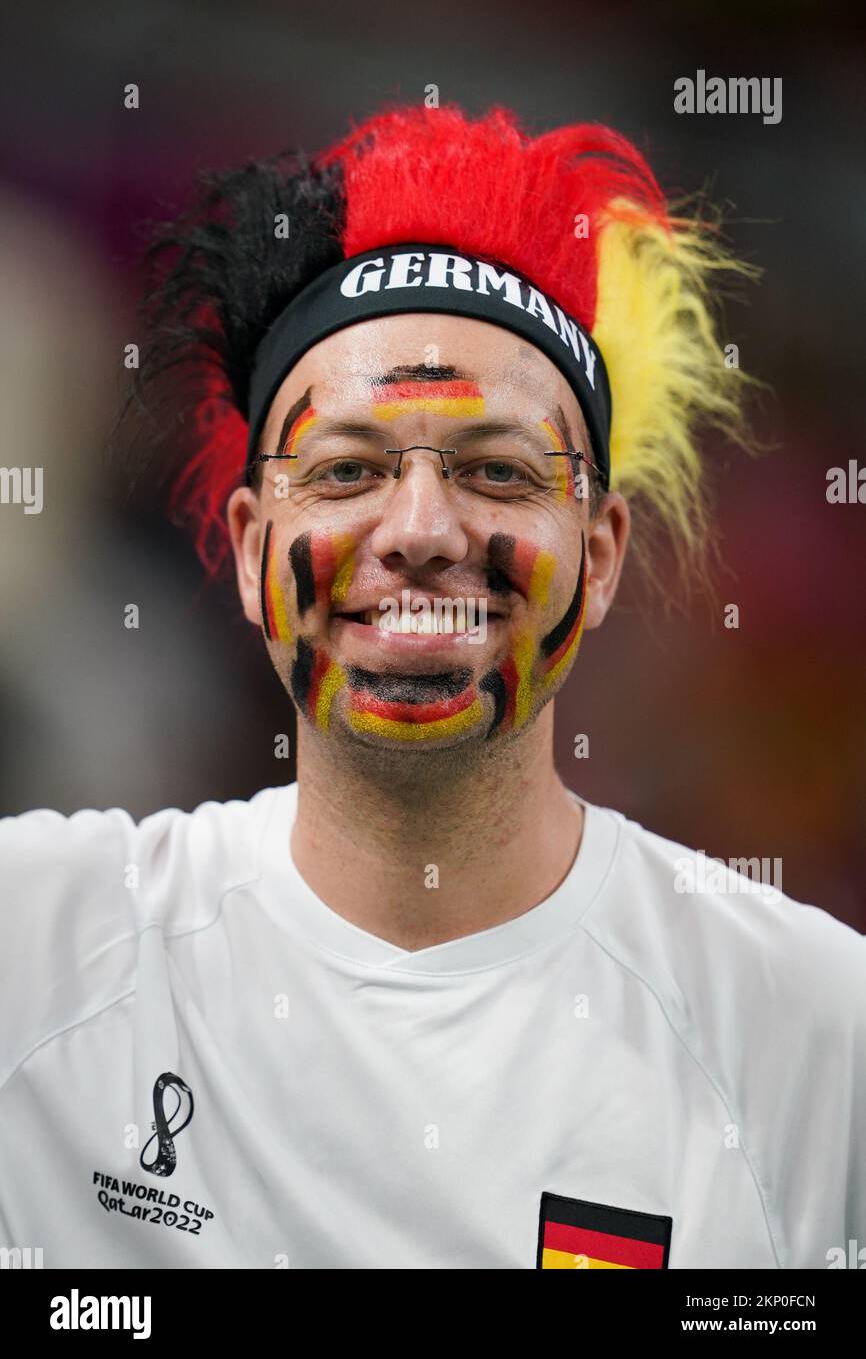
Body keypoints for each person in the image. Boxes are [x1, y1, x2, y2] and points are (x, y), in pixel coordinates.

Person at [1, 102, 863, 1271]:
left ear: (599, 552)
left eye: (497, 472)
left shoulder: (812, 1030)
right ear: (252, 544)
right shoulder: (38, 951)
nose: (416, 529)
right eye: (346, 467)